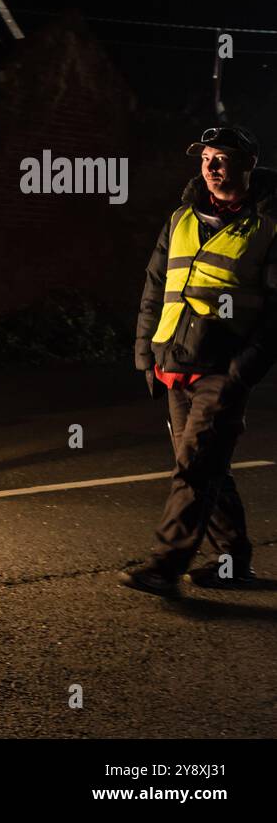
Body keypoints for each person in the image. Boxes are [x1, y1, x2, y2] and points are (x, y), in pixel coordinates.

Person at [122, 126, 277, 596]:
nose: (211, 166)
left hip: (220, 369)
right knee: (208, 467)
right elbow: (155, 288)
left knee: (193, 468)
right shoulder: (180, 218)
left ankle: (165, 566)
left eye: (222, 158)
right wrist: (146, 356)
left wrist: (241, 372)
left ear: (247, 165)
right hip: (174, 363)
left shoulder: (269, 225)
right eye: (206, 158)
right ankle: (232, 563)